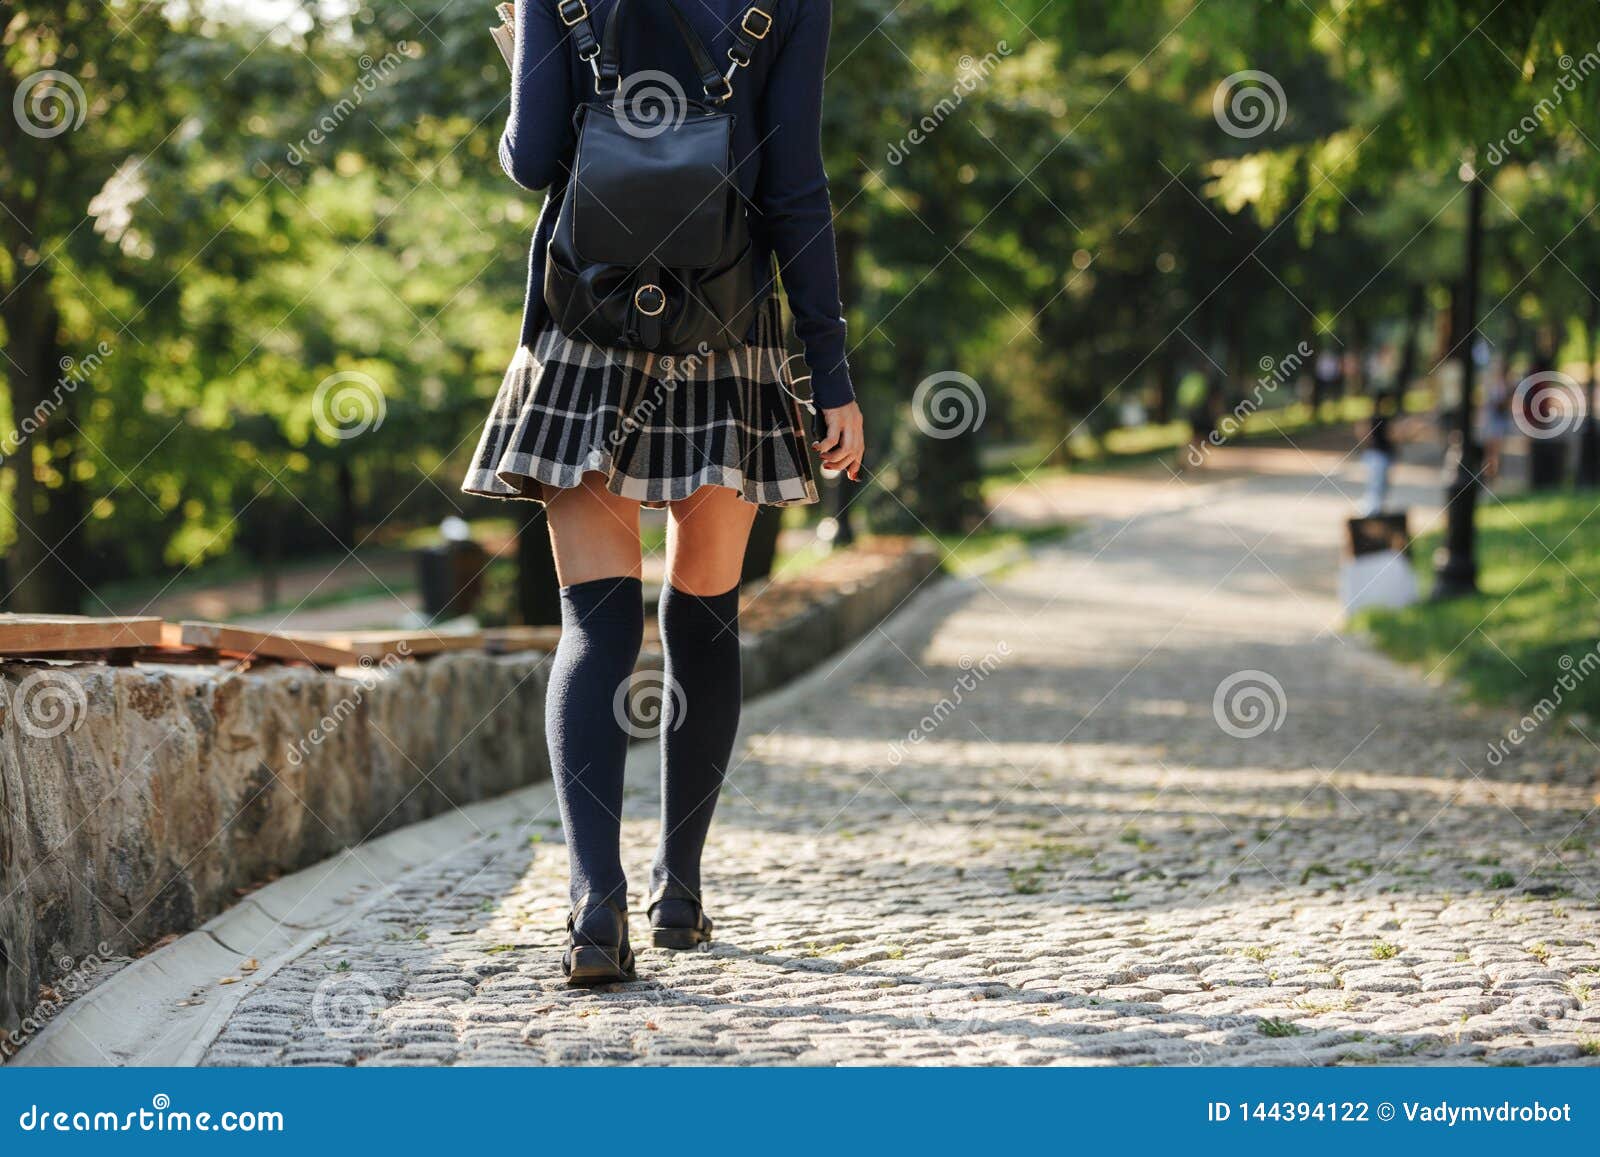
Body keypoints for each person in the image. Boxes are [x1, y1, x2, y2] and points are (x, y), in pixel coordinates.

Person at [462, 0, 865, 985]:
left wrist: (525, 36)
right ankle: (678, 886)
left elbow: (531, 159)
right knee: (706, 619)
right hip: (725, 329)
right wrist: (832, 372)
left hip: (584, 324)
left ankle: (594, 905)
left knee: (596, 628)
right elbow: (793, 184)